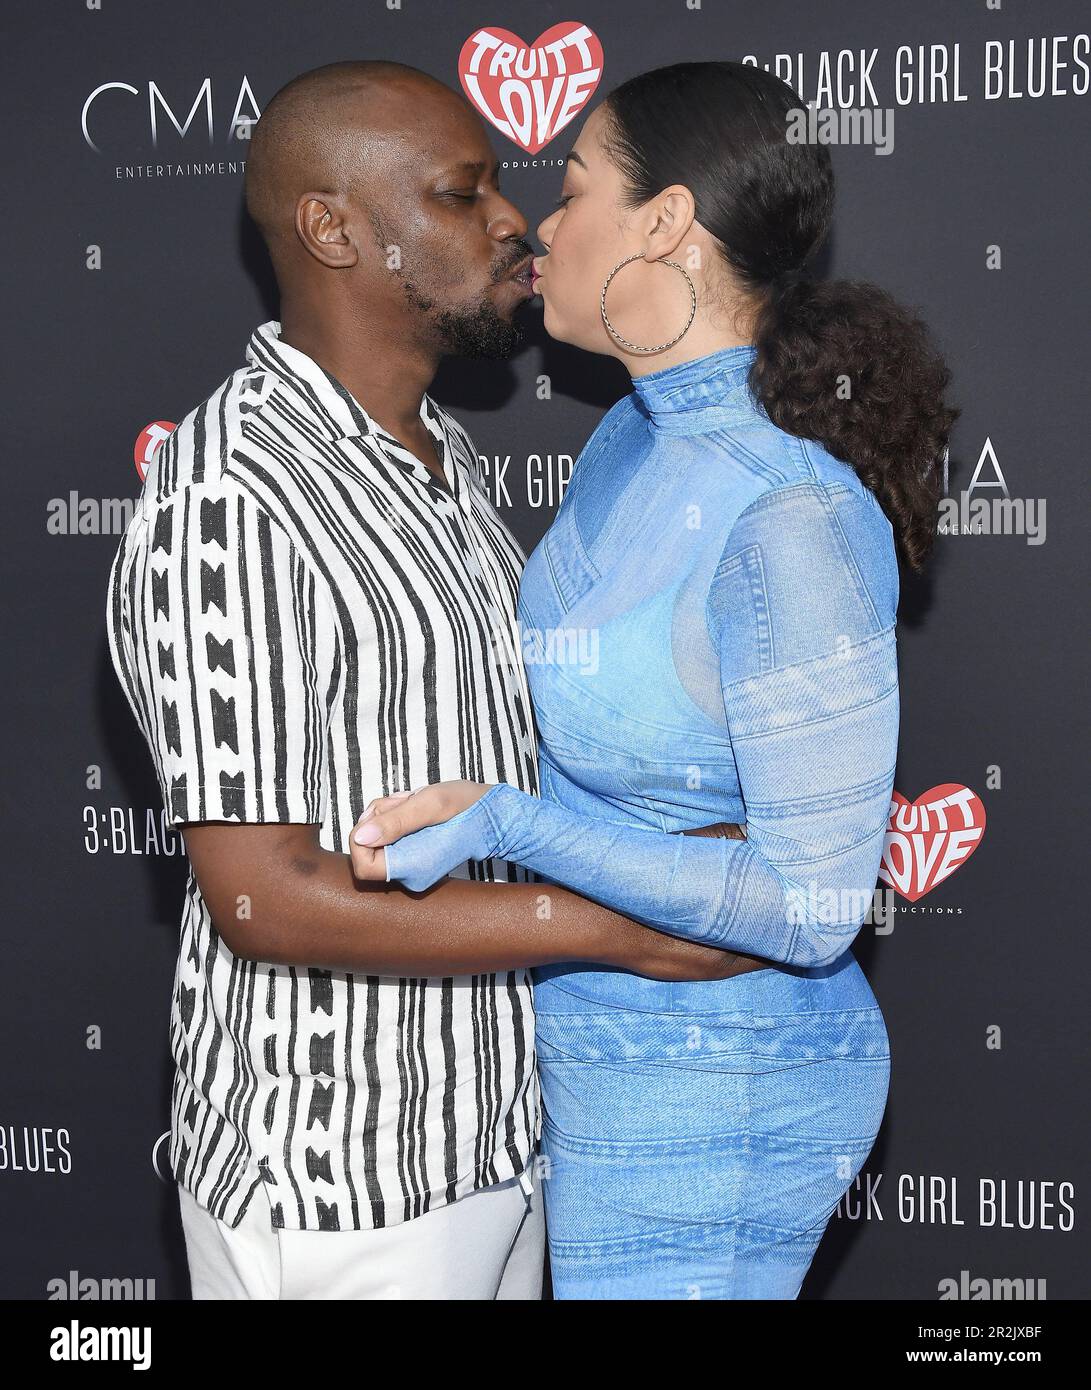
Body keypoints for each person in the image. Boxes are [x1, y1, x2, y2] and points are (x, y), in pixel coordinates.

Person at [104, 60, 745, 1302]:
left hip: (493, 1142)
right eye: (461, 193)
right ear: (333, 228)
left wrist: (676, 860)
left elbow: (490, 785)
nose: (512, 218)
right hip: (343, 1186)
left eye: (500, 185)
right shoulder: (234, 494)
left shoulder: (441, 462)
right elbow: (265, 900)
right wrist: (632, 929)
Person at [348, 61, 959, 1299]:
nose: (543, 225)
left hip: (722, 1089)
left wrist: (513, 824)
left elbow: (810, 907)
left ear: (665, 224)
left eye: (573, 189)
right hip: (585, 1056)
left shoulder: (790, 515)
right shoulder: (629, 432)